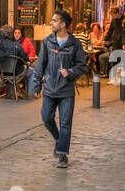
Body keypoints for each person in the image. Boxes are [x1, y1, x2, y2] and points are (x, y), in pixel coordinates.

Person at [28, 9, 88, 167]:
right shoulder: (48, 41)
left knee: (65, 123)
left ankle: (62, 154)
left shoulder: (74, 44)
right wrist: (37, 85)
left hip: (66, 91)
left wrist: (70, 72)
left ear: (63, 24)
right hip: (49, 88)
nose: (51, 23)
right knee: (46, 118)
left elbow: (82, 66)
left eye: (54, 20)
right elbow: (40, 64)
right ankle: (58, 139)